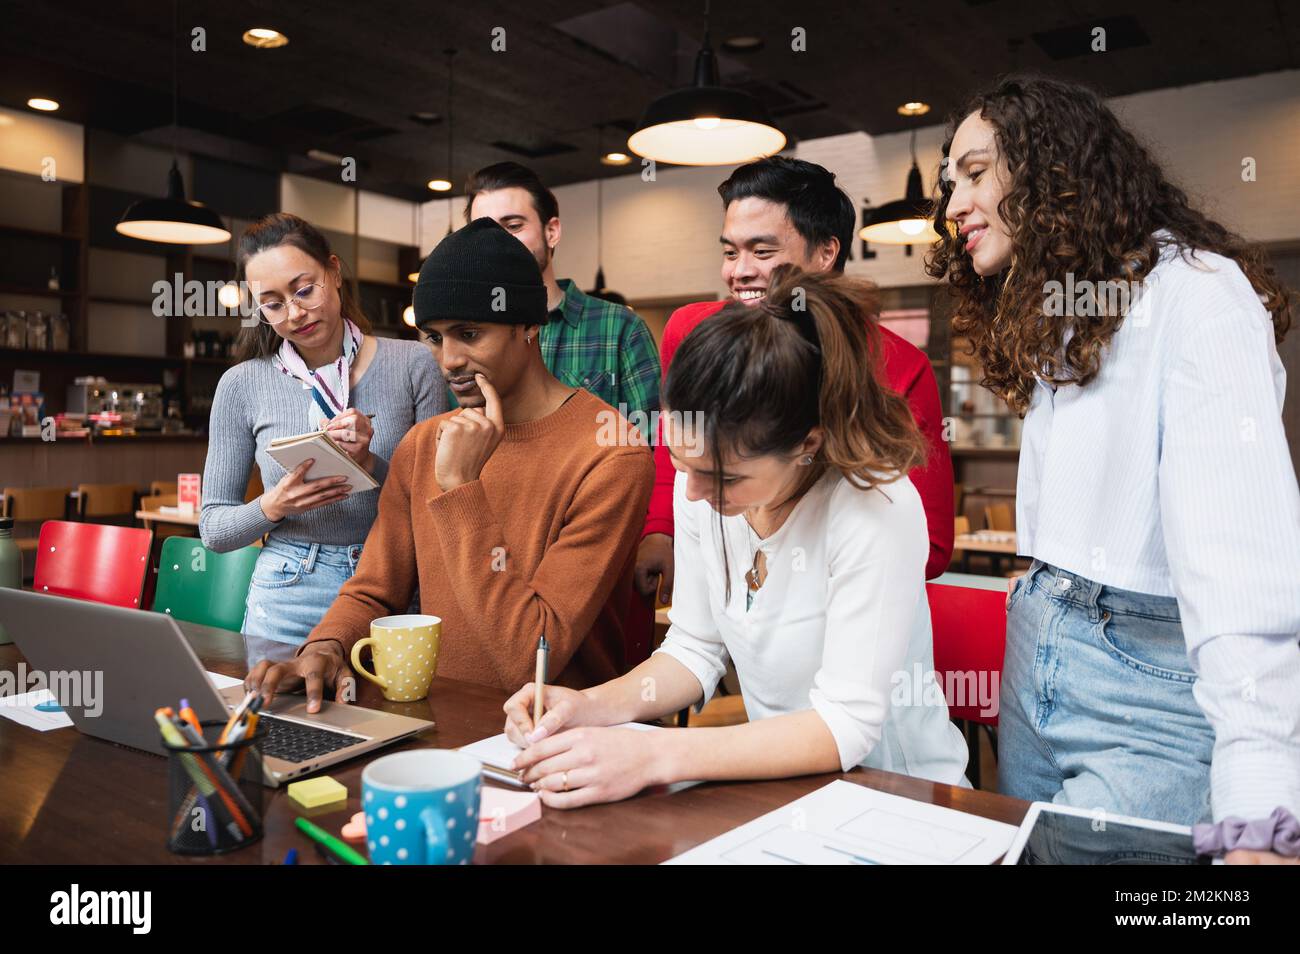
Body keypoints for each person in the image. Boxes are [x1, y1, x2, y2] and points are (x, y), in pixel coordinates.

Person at [930, 75, 1300, 862]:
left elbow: (1245, 565)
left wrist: (1261, 807)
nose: (952, 204)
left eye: (973, 172)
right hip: (1035, 639)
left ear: (1051, 165)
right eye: (946, 184)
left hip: (1151, 681)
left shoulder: (1199, 297)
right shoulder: (1059, 310)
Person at [502, 267, 969, 808]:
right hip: (787, 789)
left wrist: (653, 756)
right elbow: (695, 648)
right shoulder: (700, 478)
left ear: (808, 445)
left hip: (898, 800)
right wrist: (587, 706)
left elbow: (844, 726)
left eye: (726, 478)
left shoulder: (876, 508)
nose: (695, 493)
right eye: (681, 462)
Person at [246, 217, 654, 707]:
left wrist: (461, 488)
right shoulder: (422, 444)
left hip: (553, 740)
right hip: (436, 724)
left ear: (528, 325)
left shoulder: (610, 454)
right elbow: (375, 589)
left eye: (469, 333)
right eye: (436, 338)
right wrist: (326, 647)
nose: (449, 360)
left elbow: (530, 658)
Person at [635, 157, 954, 612]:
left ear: (826, 253)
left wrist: (782, 570)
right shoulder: (691, 332)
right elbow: (681, 452)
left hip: (835, 608)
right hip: (716, 593)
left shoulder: (900, 364)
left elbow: (932, 542)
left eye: (762, 253)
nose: (738, 272)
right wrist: (661, 529)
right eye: (730, 252)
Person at [201, 213, 445, 644]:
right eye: (273, 304)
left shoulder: (413, 364)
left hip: (393, 583)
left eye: (304, 290)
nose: (295, 313)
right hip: (287, 588)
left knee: (391, 715)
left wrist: (371, 463)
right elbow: (215, 529)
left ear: (333, 272)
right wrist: (274, 505)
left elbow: (436, 503)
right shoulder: (241, 385)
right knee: (276, 712)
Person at [465, 161, 661, 424]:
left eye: (513, 226)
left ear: (552, 231)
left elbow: (651, 443)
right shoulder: (463, 335)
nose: (499, 243)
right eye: (485, 231)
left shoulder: (620, 330)